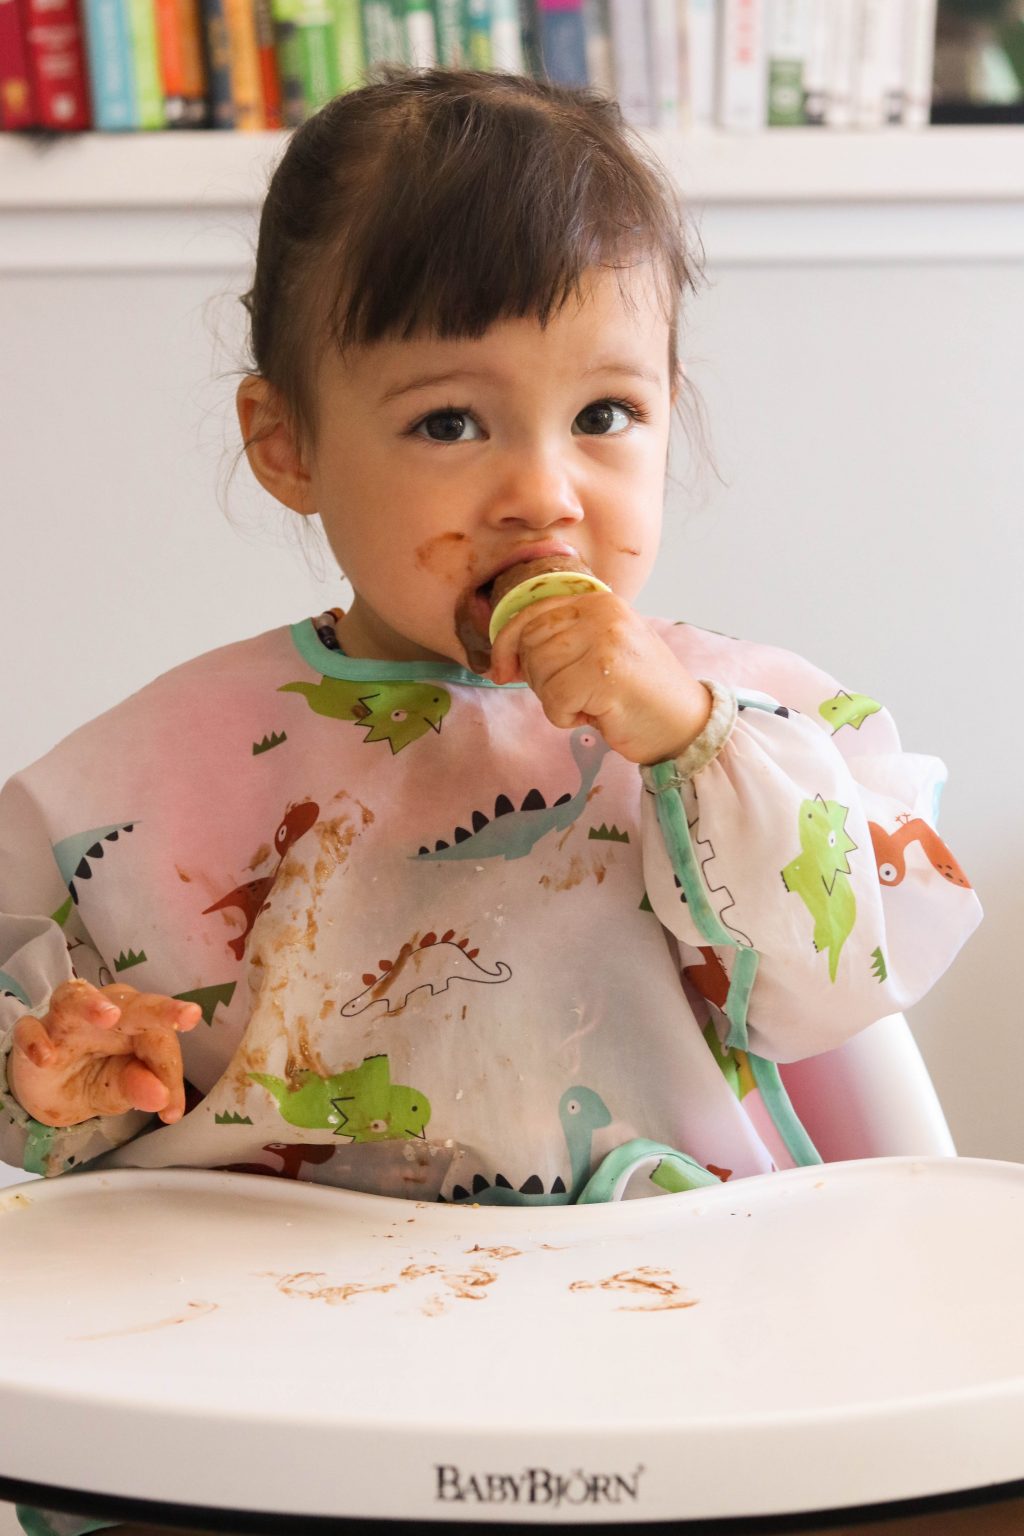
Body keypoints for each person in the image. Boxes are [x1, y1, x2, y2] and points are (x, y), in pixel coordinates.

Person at [1, 65, 981, 1535]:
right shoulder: (144, 777)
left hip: (681, 1365)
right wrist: (47, 1091)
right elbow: (49, 1179)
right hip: (273, 1393)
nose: (544, 492)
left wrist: (694, 741)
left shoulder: (748, 728)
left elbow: (853, 971)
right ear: (289, 445)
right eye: (454, 424)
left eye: (604, 412)